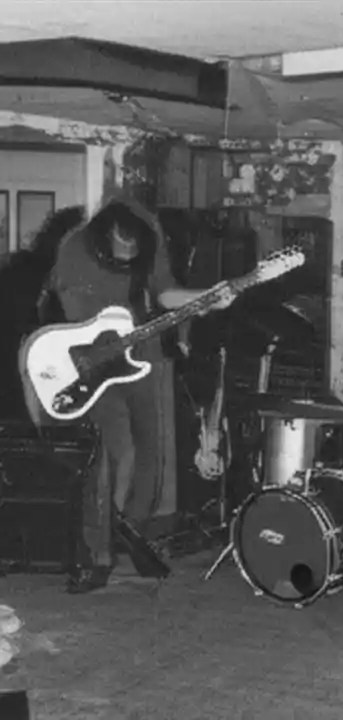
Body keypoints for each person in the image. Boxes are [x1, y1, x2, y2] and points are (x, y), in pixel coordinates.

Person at [41, 197, 231, 594]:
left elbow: (164, 294)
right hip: (90, 361)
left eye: (135, 250)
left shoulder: (151, 235)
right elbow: (69, 307)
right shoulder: (76, 245)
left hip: (138, 358)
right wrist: (102, 337)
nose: (128, 255)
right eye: (120, 248)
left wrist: (206, 298)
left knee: (150, 457)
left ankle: (128, 534)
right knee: (113, 454)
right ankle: (96, 557)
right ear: (103, 236)